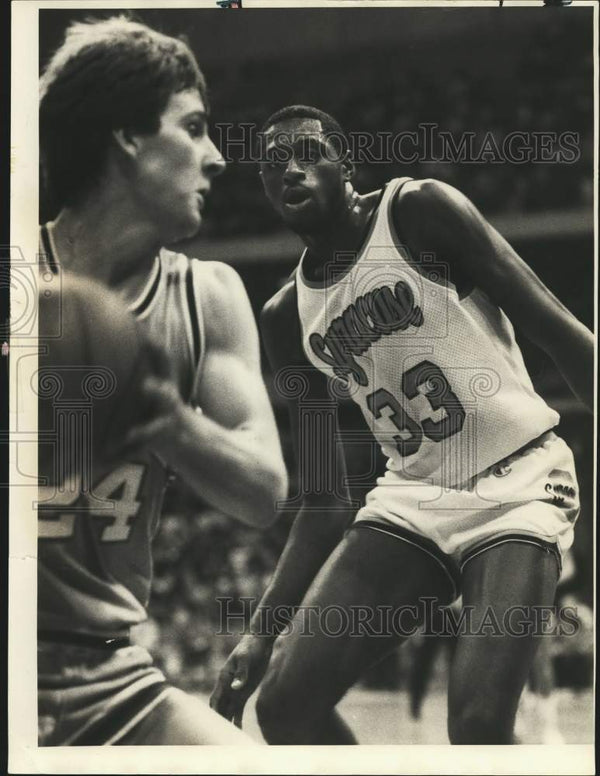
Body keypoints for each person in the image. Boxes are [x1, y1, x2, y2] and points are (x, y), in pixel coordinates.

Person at [210, 105, 593, 744]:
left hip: (519, 482)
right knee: (282, 706)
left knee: (475, 725)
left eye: (308, 153)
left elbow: (557, 329)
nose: (291, 171)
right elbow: (325, 500)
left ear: (347, 165)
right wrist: (259, 631)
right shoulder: (284, 317)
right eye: (273, 165)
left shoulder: (419, 211)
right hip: (411, 500)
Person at [37, 17, 287, 745]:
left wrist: (159, 414)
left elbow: (263, 490)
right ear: (128, 137)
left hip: (111, 677)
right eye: (195, 127)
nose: (216, 158)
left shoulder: (206, 294)